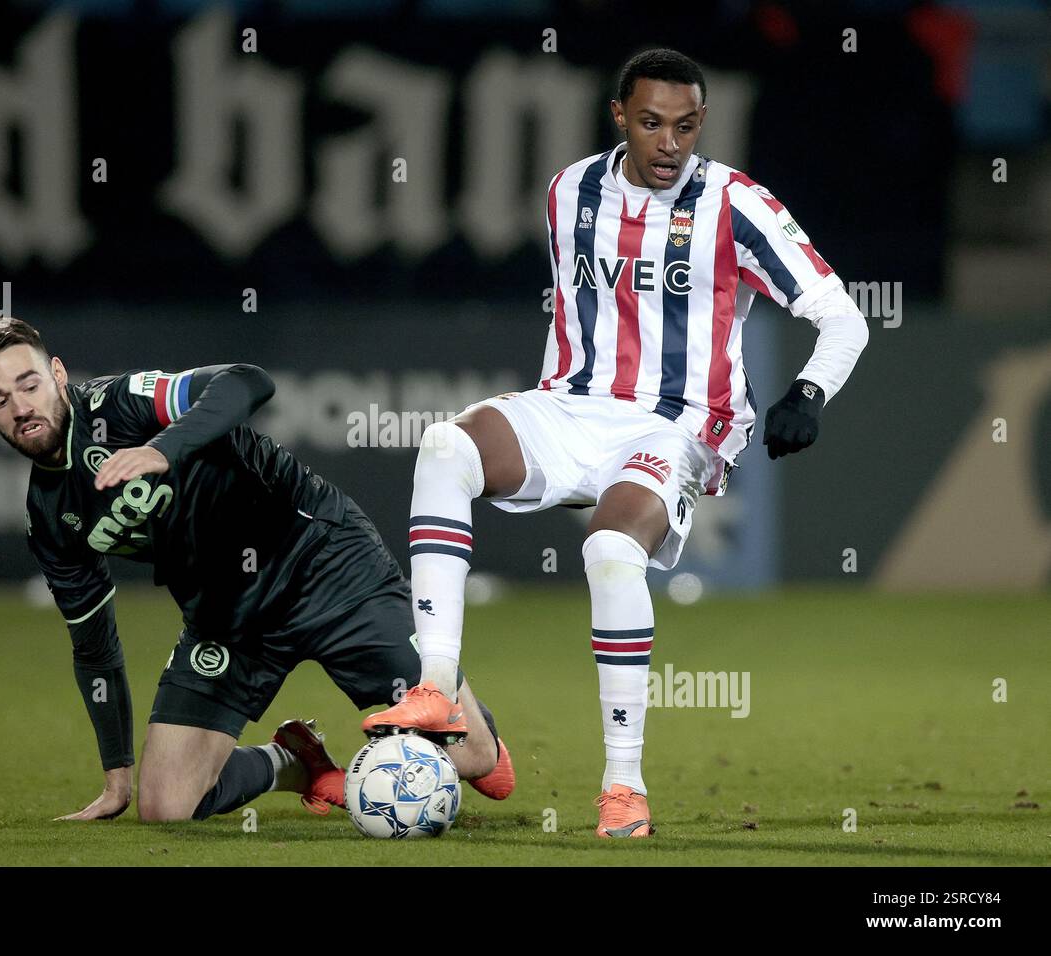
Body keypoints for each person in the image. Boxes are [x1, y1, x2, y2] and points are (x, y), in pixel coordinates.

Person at [363, 48, 868, 839]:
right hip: (570, 406)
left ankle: (623, 786)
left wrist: (809, 390)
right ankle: (434, 687)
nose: (671, 142)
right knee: (442, 448)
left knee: (608, 549)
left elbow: (842, 313)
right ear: (619, 117)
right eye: (653, 123)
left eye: (689, 125)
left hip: (675, 425)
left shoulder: (737, 204)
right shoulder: (571, 190)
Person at [0, 315, 515, 822]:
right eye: (0, 397)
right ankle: (293, 760)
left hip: (321, 563)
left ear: (57, 374)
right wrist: (116, 776)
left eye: (29, 384)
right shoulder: (49, 517)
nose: (21, 406)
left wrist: (164, 447)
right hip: (225, 616)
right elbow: (94, 645)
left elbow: (247, 381)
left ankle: (474, 725)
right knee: (166, 806)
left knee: (473, 758)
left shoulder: (116, 403)